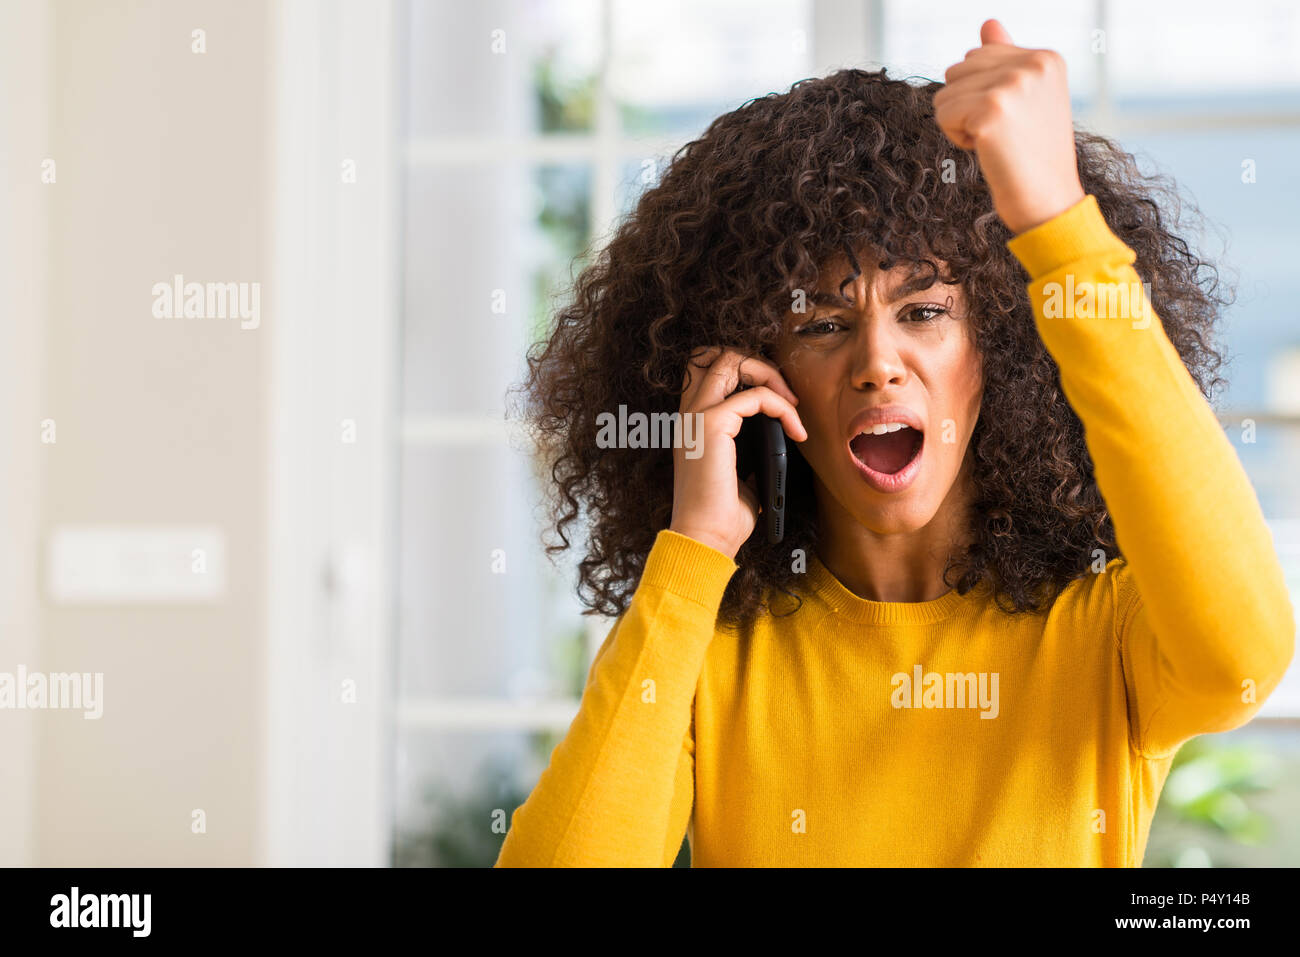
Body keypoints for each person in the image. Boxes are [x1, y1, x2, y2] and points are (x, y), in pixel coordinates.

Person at [497, 19, 1294, 866]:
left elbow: (1243, 657)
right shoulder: (713, 639)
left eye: (924, 312)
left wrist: (1058, 227)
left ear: (1000, 348)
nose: (878, 363)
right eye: (824, 323)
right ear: (762, 374)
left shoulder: (1099, 622)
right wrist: (694, 551)